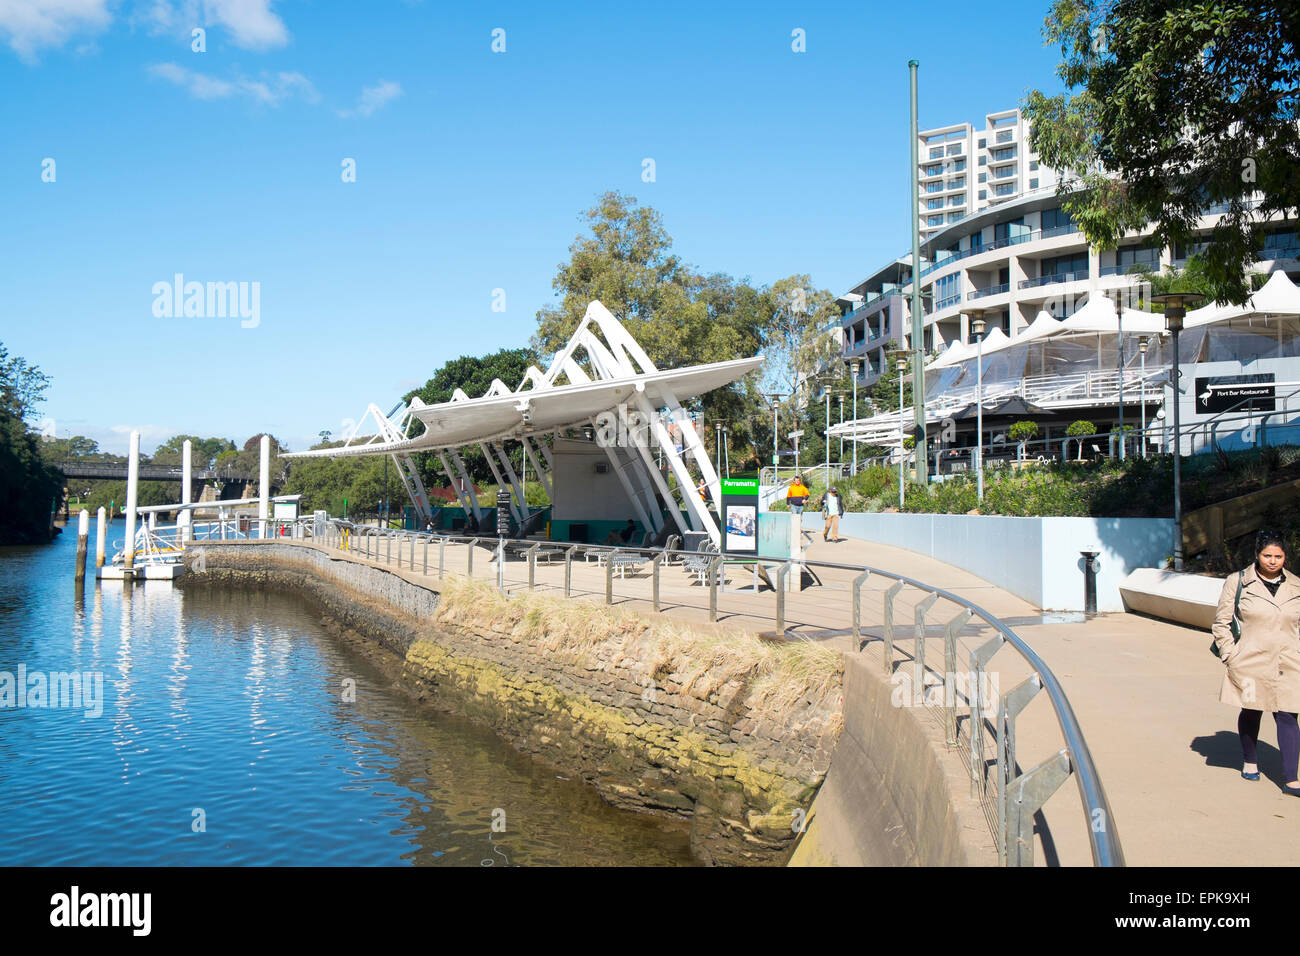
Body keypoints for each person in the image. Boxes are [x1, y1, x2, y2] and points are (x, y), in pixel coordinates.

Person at [1212, 529, 1300, 794]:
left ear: (1285, 557)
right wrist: (1231, 656)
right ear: (1257, 555)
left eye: (1278, 556)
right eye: (1267, 555)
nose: (1273, 561)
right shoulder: (1237, 582)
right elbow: (1221, 622)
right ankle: (1250, 761)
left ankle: (1290, 778)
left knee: (1288, 715)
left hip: (1289, 663)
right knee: (1251, 710)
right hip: (1250, 662)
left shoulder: (1296, 585)